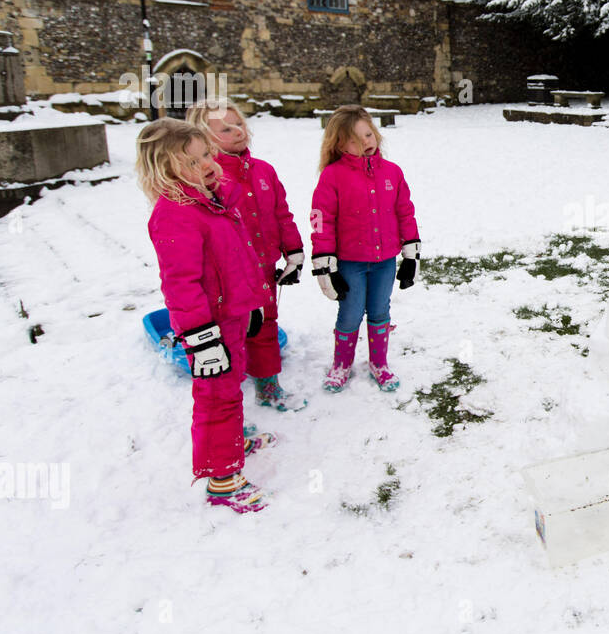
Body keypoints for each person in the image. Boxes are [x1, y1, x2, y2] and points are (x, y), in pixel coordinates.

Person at [137, 118, 276, 513]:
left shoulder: (212, 201)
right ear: (167, 171)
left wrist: (250, 305)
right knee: (216, 397)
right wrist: (201, 339)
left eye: (207, 155)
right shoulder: (174, 214)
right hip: (209, 326)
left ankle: (232, 443)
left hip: (231, 315)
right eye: (195, 161)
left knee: (230, 387)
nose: (209, 165)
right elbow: (180, 284)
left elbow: (237, 259)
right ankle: (222, 479)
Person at [186, 98, 306, 413]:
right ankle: (228, 402)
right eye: (225, 128)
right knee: (233, 336)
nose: (237, 130)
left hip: (265, 270)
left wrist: (293, 251)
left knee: (266, 326)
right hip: (229, 278)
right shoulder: (209, 180)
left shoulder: (264, 171)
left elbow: (282, 214)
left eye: (238, 123)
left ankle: (268, 386)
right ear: (204, 138)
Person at [310, 106, 420, 393]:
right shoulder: (332, 177)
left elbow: (405, 212)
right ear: (339, 144)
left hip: (385, 261)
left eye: (368, 134)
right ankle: (341, 364)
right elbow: (323, 221)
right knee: (350, 313)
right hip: (350, 263)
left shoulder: (392, 173)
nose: (366, 142)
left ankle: (379, 363)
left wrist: (410, 254)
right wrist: (326, 265)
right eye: (355, 140)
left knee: (380, 310)